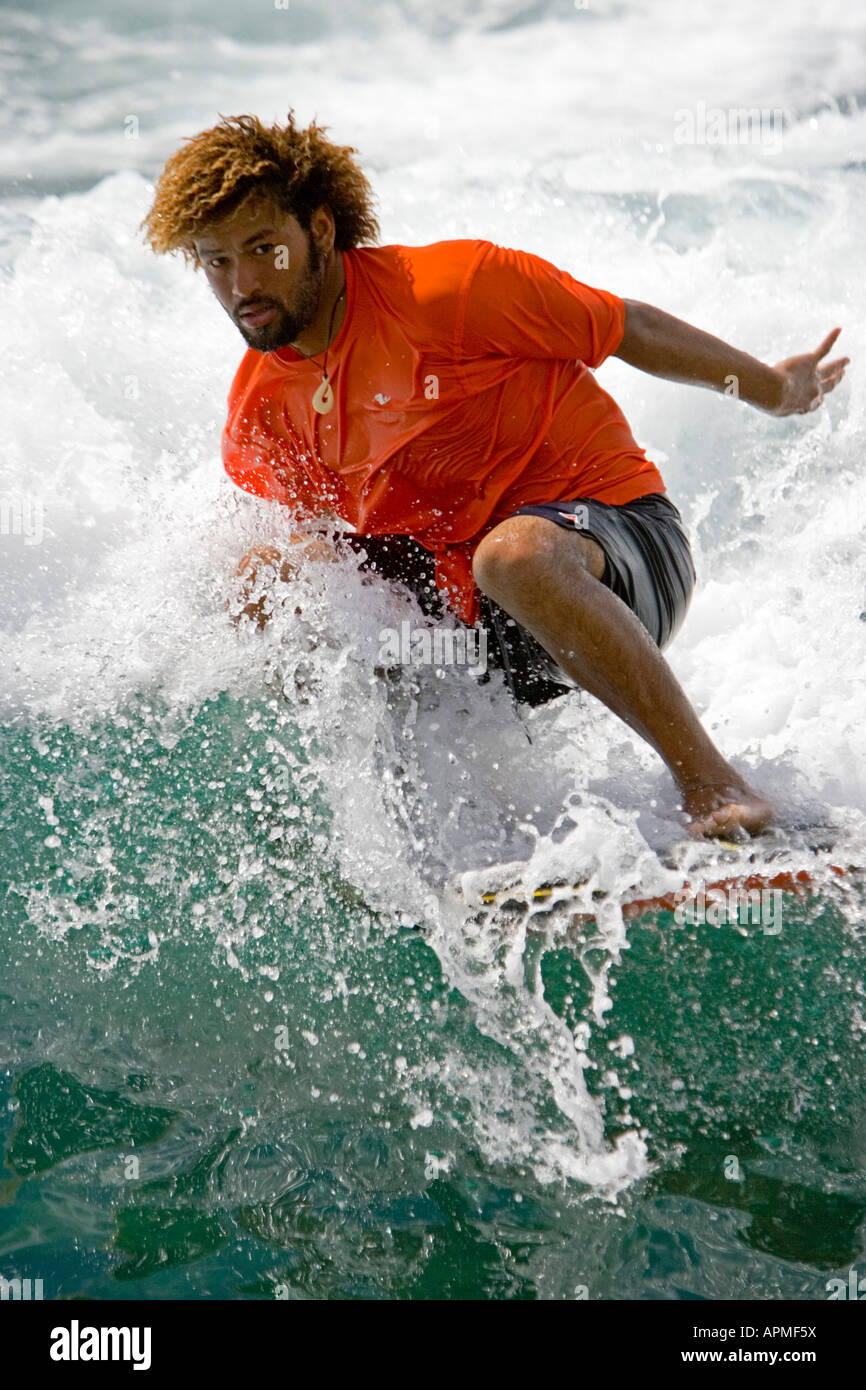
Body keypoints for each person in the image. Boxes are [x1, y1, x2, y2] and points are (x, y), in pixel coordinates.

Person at [143, 113, 848, 840]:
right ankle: (422, 839)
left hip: (617, 553)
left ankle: (714, 783)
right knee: (272, 580)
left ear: (320, 230)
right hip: (479, 631)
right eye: (216, 262)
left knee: (511, 556)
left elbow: (626, 327)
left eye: (264, 249)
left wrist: (774, 390)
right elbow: (329, 567)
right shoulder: (261, 411)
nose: (243, 285)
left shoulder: (449, 291)